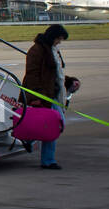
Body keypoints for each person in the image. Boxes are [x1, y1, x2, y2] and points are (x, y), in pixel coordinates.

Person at [21, 23, 79, 170]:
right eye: (59, 39)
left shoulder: (53, 50)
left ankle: (39, 150)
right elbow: (32, 75)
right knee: (53, 126)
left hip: (53, 94)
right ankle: (46, 158)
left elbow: (55, 74)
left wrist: (69, 81)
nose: (59, 42)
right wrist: (35, 96)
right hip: (42, 96)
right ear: (52, 37)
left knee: (55, 126)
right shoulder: (37, 51)